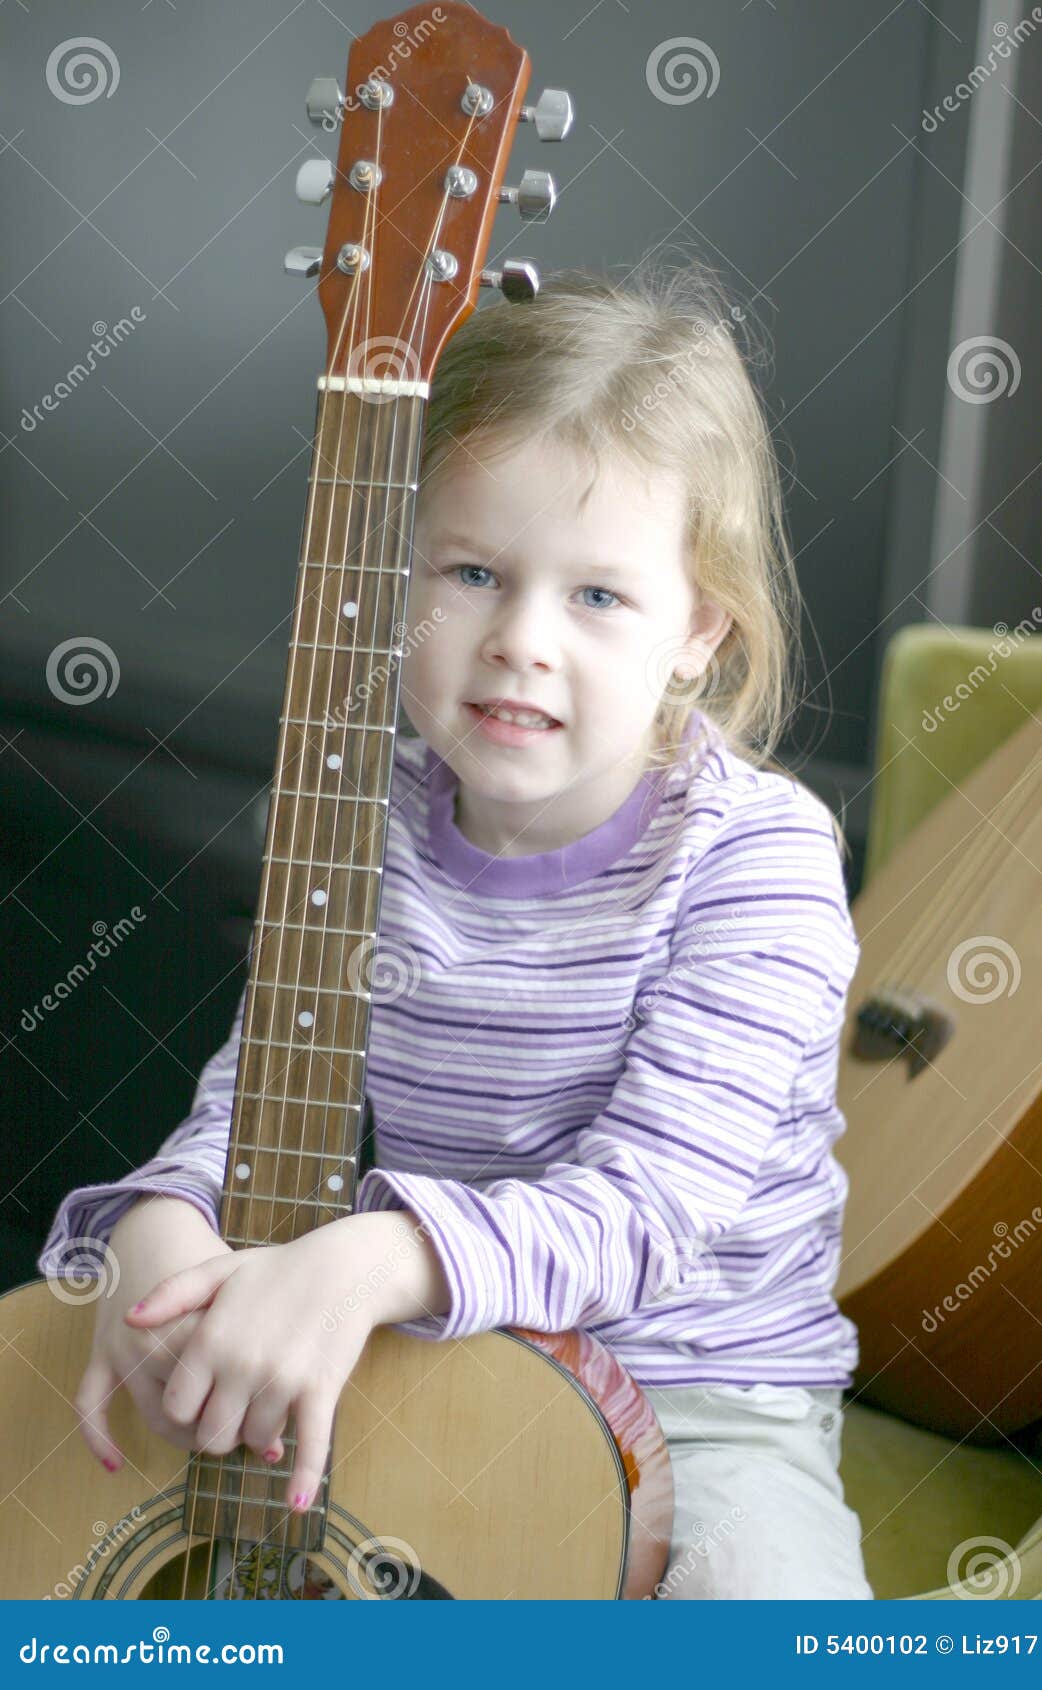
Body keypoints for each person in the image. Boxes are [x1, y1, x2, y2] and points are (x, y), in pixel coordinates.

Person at [37, 257, 874, 1600]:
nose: (519, 641)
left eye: (597, 596)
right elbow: (262, 1087)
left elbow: (648, 1214)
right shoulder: (359, 817)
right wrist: (163, 1222)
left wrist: (379, 1256)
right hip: (425, 1342)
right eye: (473, 572)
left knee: (760, 1615)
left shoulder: (756, 859)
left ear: (699, 630)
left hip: (695, 1393)